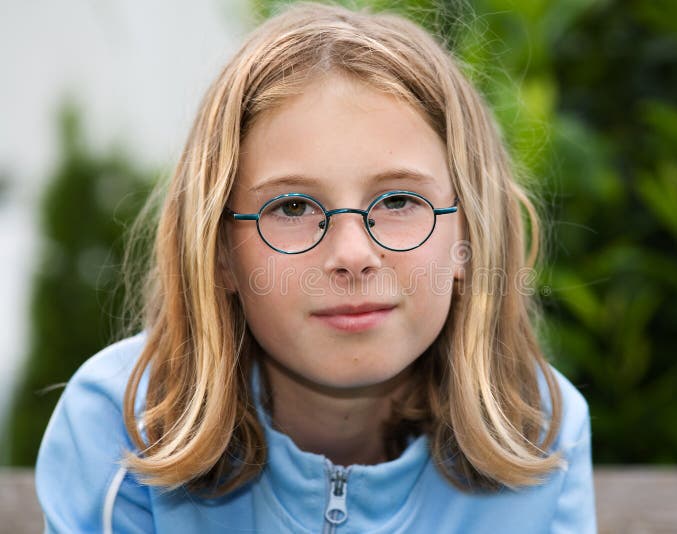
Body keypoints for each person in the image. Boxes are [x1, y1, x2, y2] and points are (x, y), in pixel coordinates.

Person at [35, 2, 596, 532]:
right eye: (293, 207)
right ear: (219, 252)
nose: (353, 254)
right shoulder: (120, 427)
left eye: (399, 201)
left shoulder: (542, 431)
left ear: (469, 237)